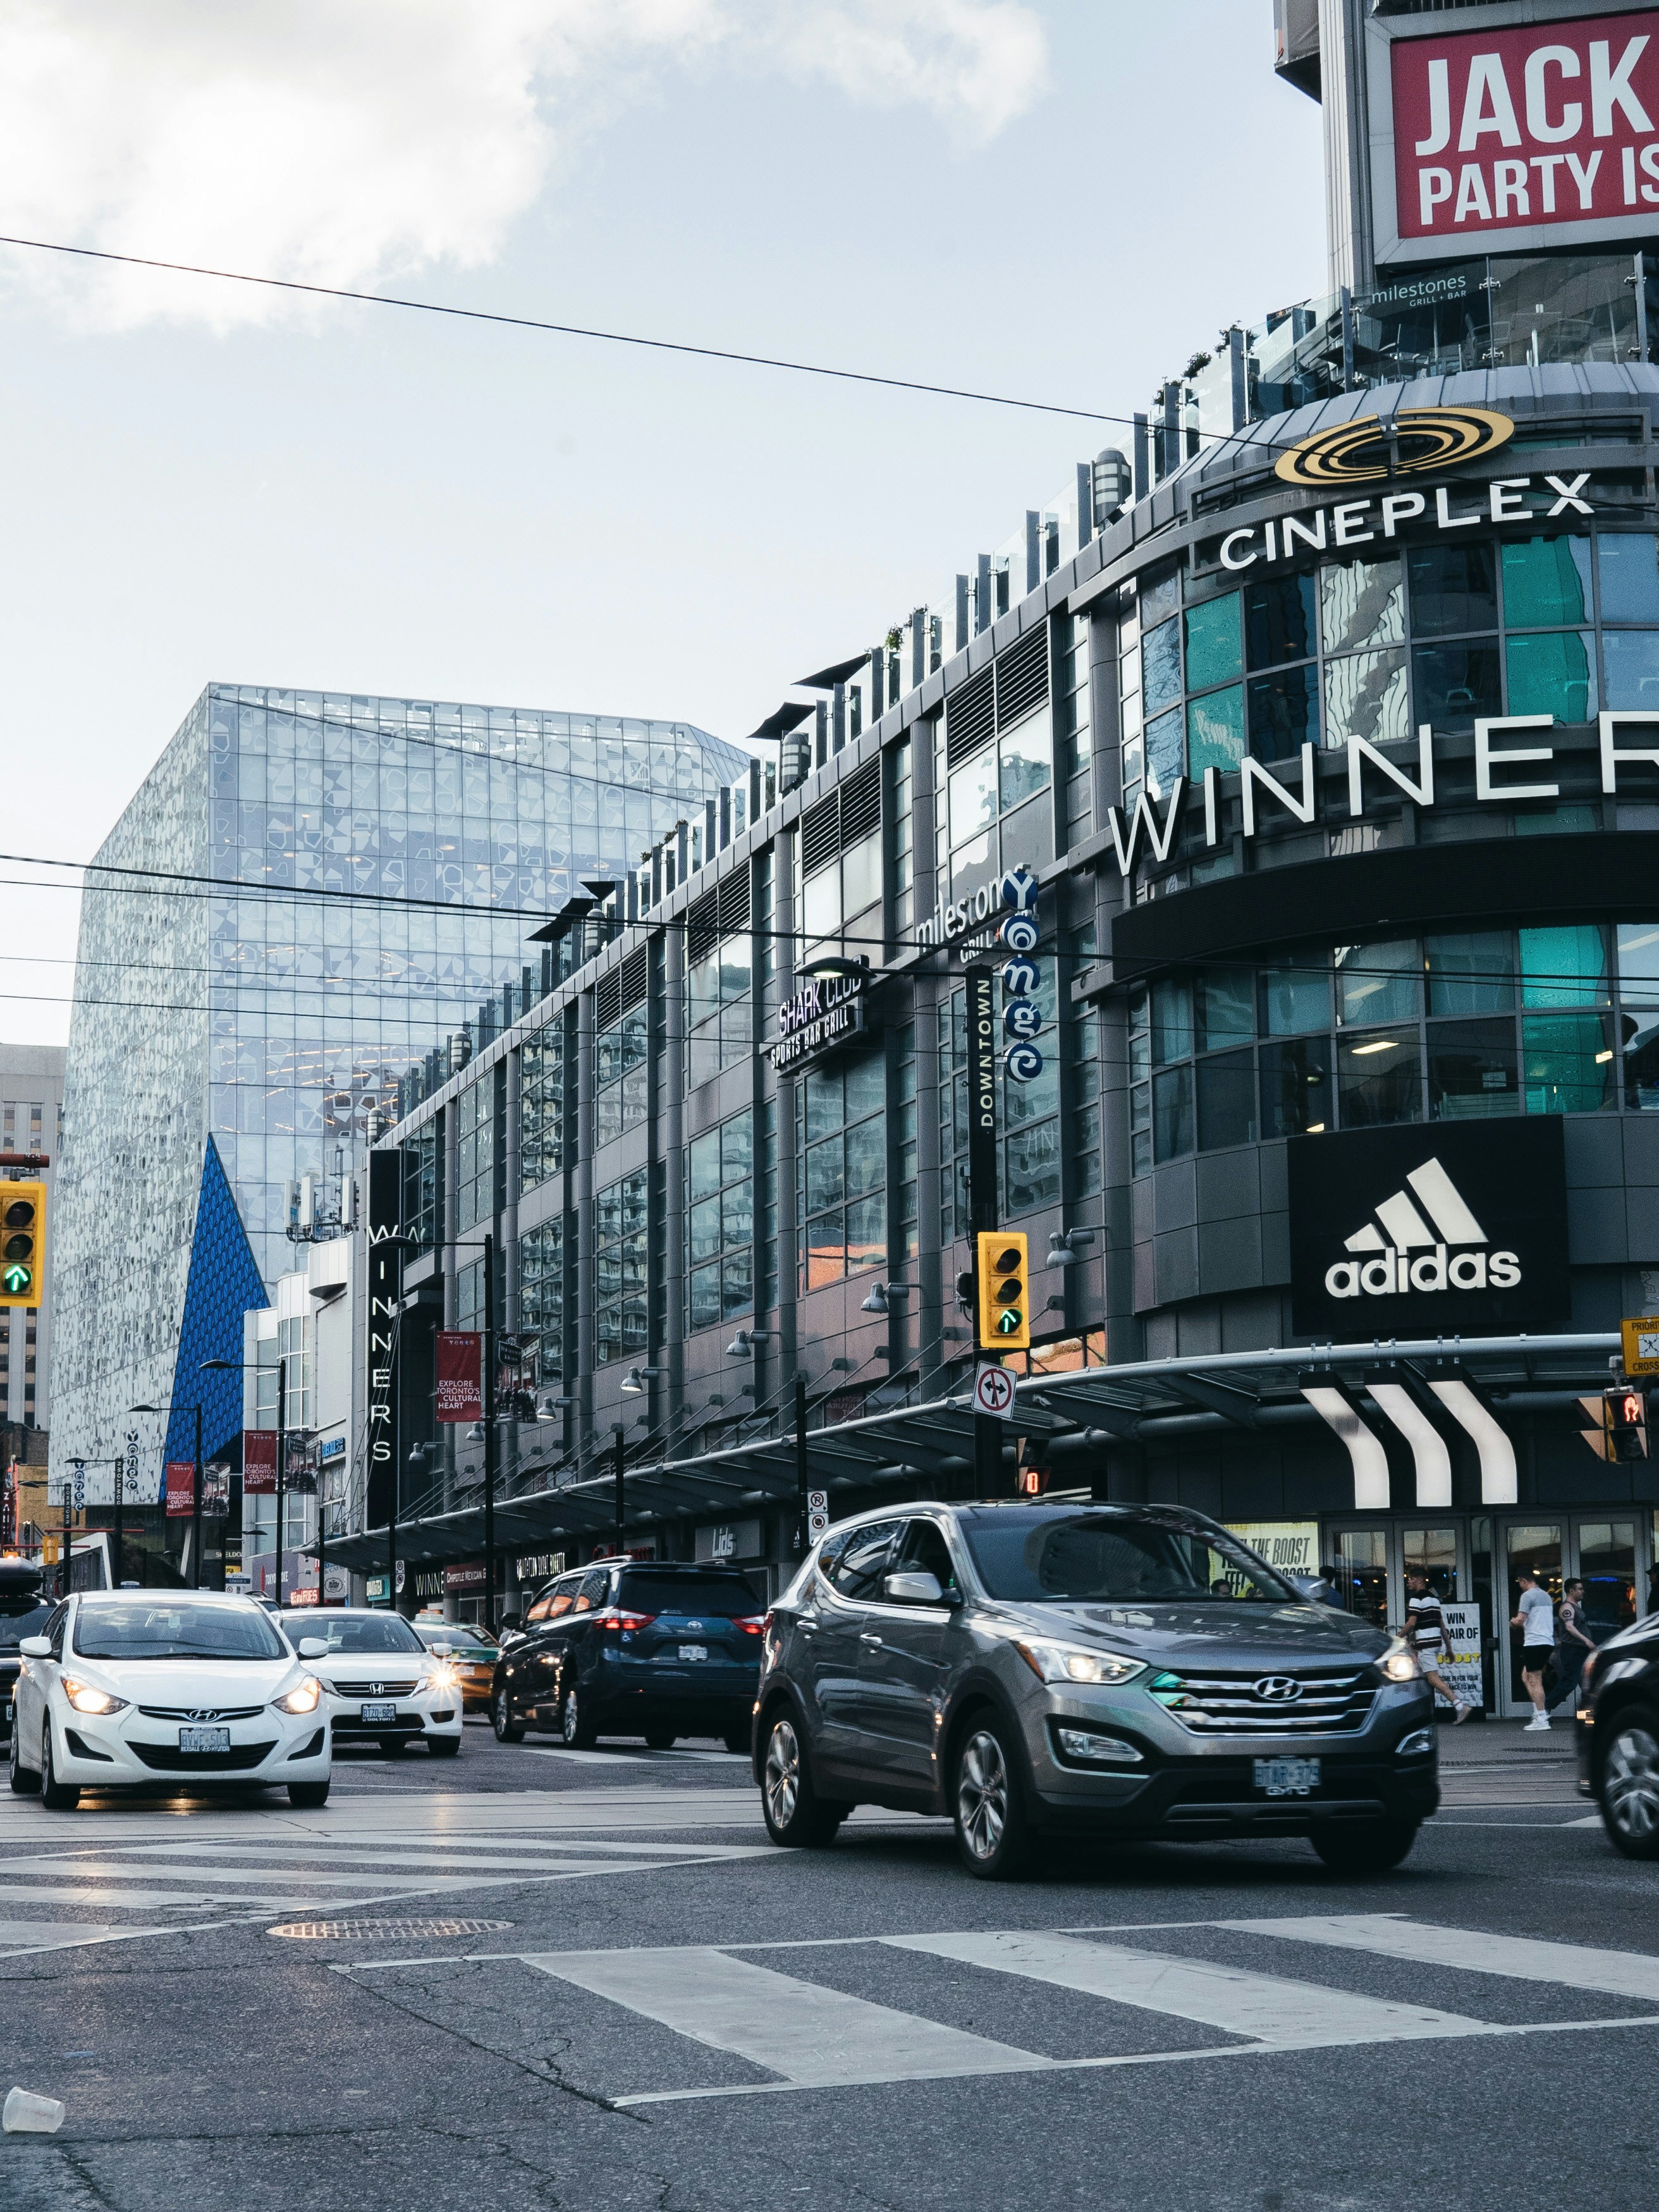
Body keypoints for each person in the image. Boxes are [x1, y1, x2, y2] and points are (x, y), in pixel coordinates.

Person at [1402, 1570, 1472, 1723]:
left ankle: (1460, 1706)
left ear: (1418, 1580)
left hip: (1426, 1644)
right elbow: (1441, 1625)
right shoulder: (1434, 1599)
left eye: (1410, 1579)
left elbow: (1412, 1623)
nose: (1408, 1583)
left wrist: (1396, 1637)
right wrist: (1449, 1648)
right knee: (1420, 1676)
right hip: (1435, 1644)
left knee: (1433, 1679)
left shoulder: (1416, 1598)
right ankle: (1423, 1712)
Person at [1512, 1568, 1556, 1730]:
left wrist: (1513, 1622)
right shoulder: (1545, 1595)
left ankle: (1542, 1718)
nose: (1520, 1586)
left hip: (1534, 1642)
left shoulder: (1527, 1596)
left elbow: (1520, 1620)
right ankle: (1539, 1713)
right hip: (1546, 1641)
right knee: (1526, 1676)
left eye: (1520, 1583)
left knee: (1535, 1680)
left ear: (1524, 1581)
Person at [1548, 1577, 1596, 1714]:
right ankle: (1545, 1708)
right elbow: (1570, 1627)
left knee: (1586, 1684)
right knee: (1570, 1682)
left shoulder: (1575, 1607)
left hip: (1581, 1650)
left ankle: (1586, 1714)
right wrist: (1587, 1641)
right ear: (1572, 1591)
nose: (1583, 1592)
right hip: (1572, 1650)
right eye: (1580, 1589)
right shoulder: (1567, 1607)